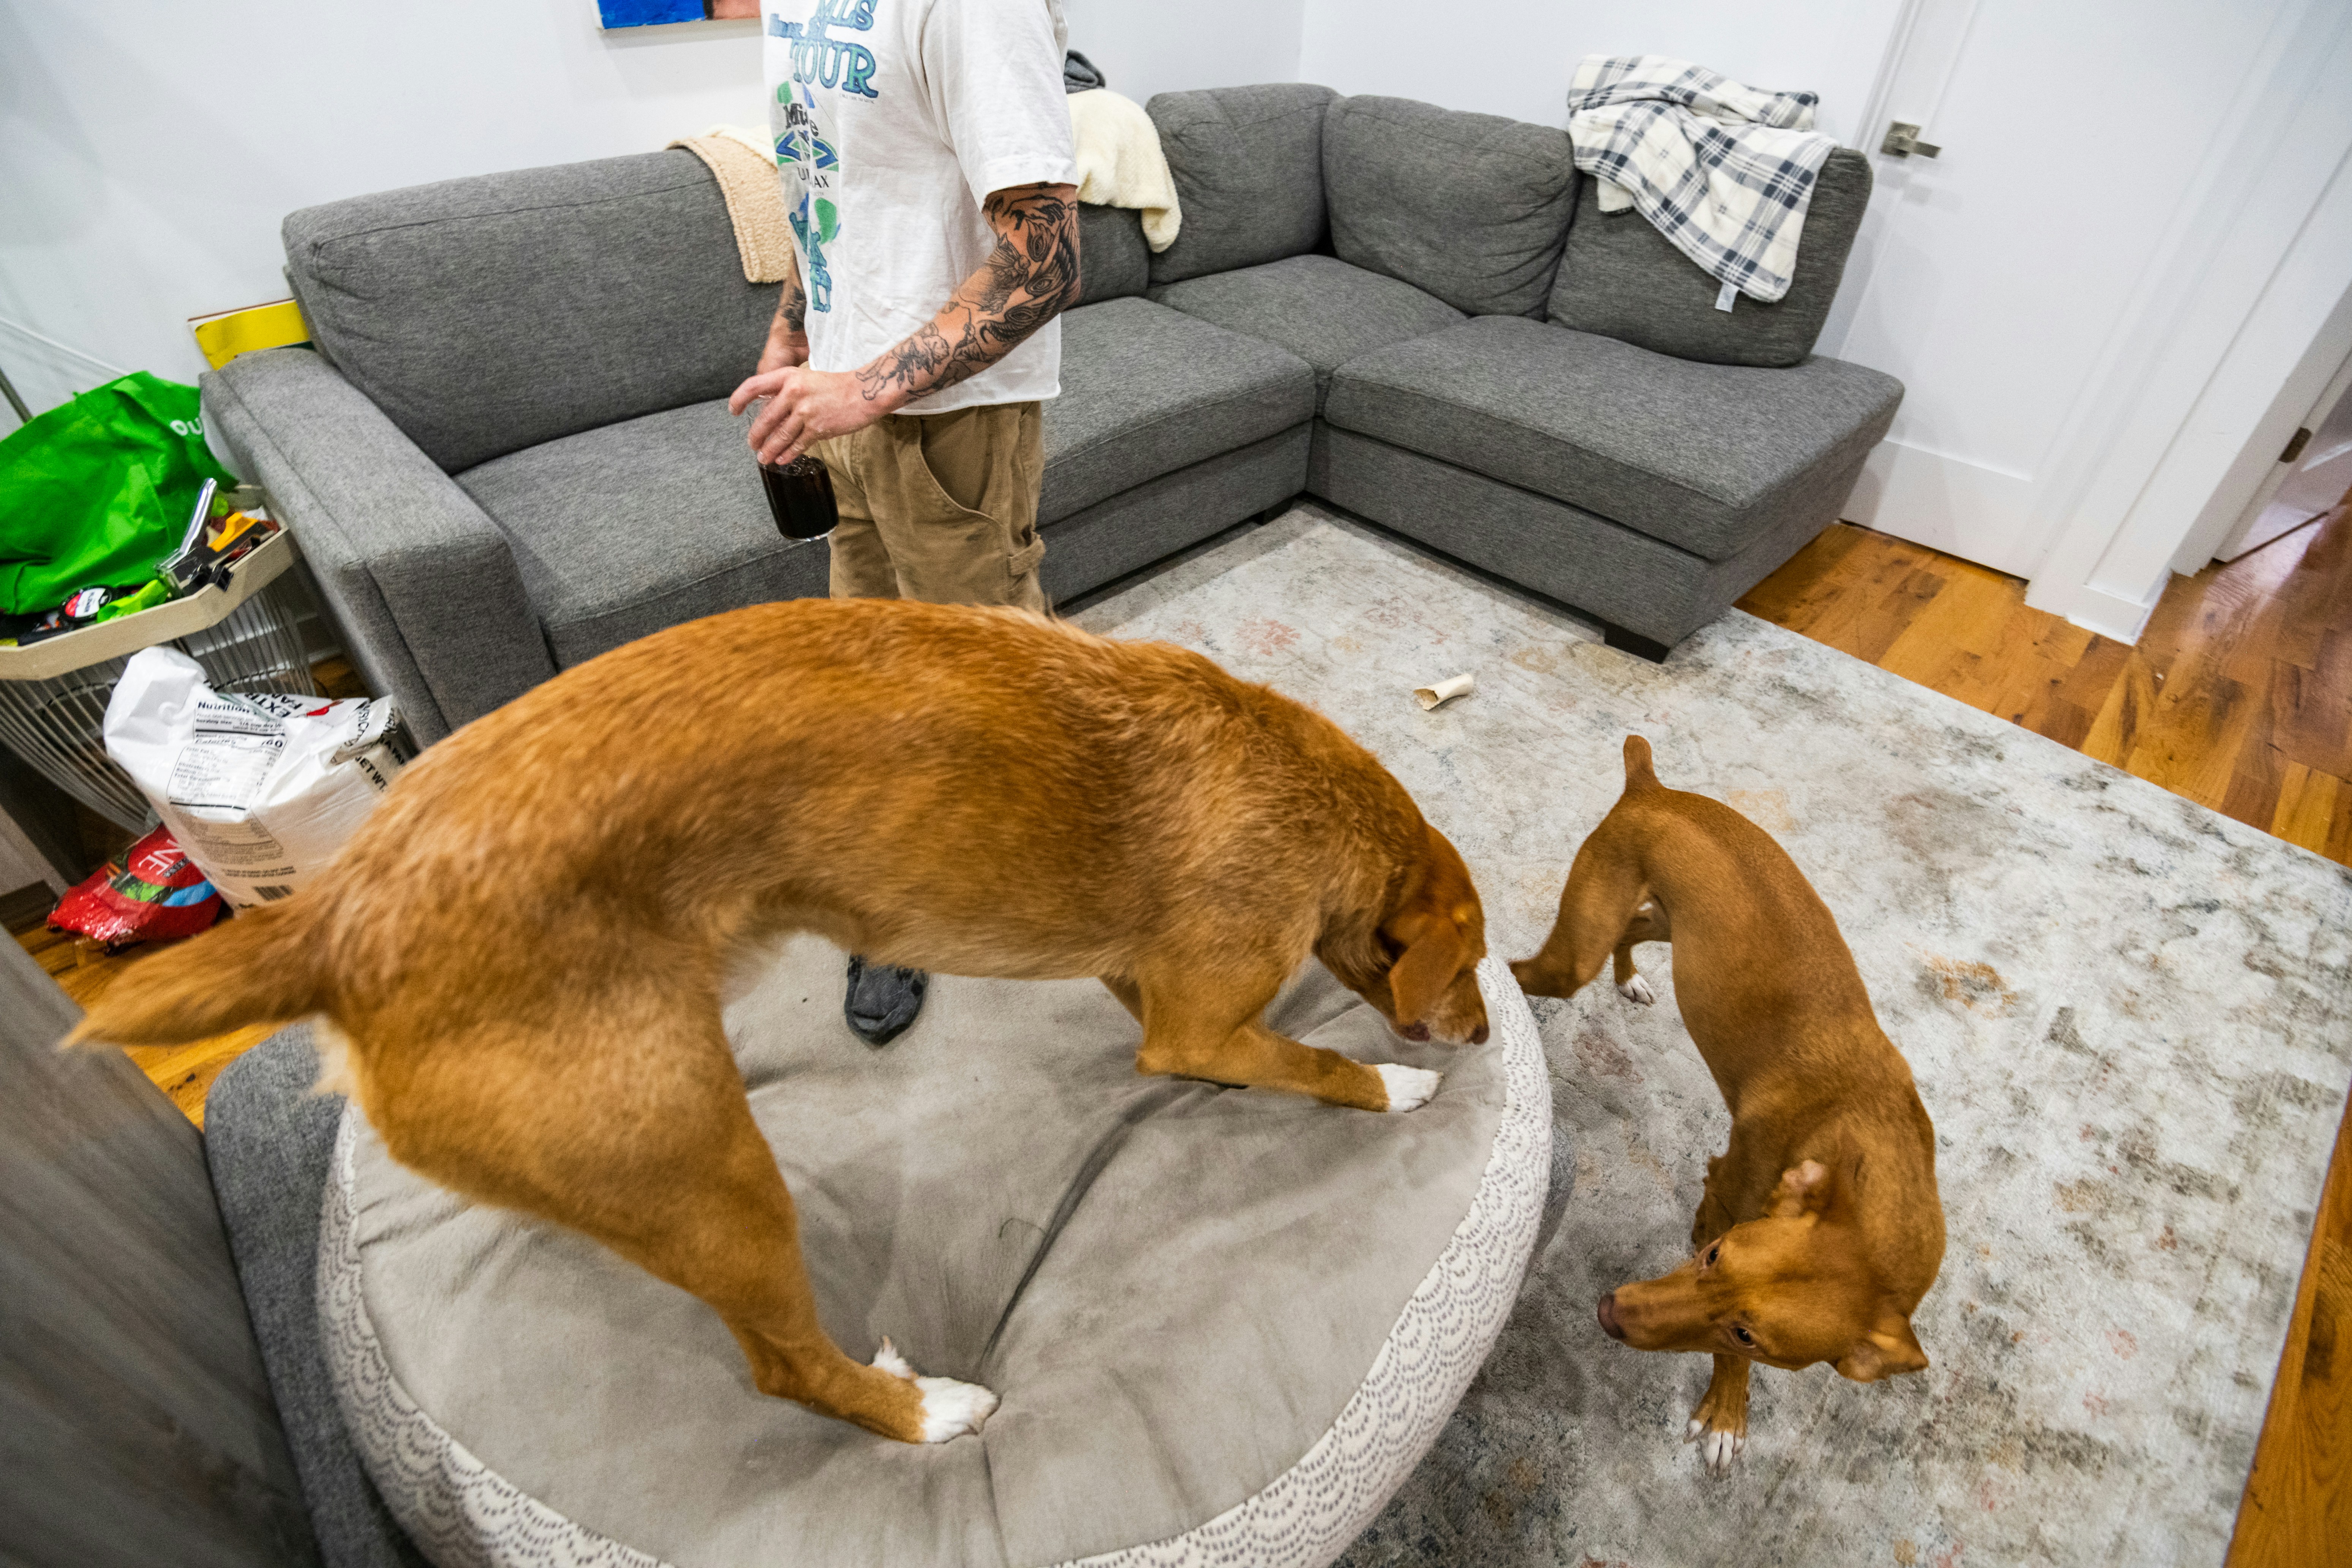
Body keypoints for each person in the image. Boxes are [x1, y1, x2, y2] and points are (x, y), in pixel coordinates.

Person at [728, 0, 1080, 1045]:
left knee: (993, 677)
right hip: (843, 394)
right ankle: (895, 897)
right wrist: (793, 341)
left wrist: (870, 389)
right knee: (869, 671)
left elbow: (1050, 258)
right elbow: (821, 177)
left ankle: (1069, 862)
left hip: (948, 420)